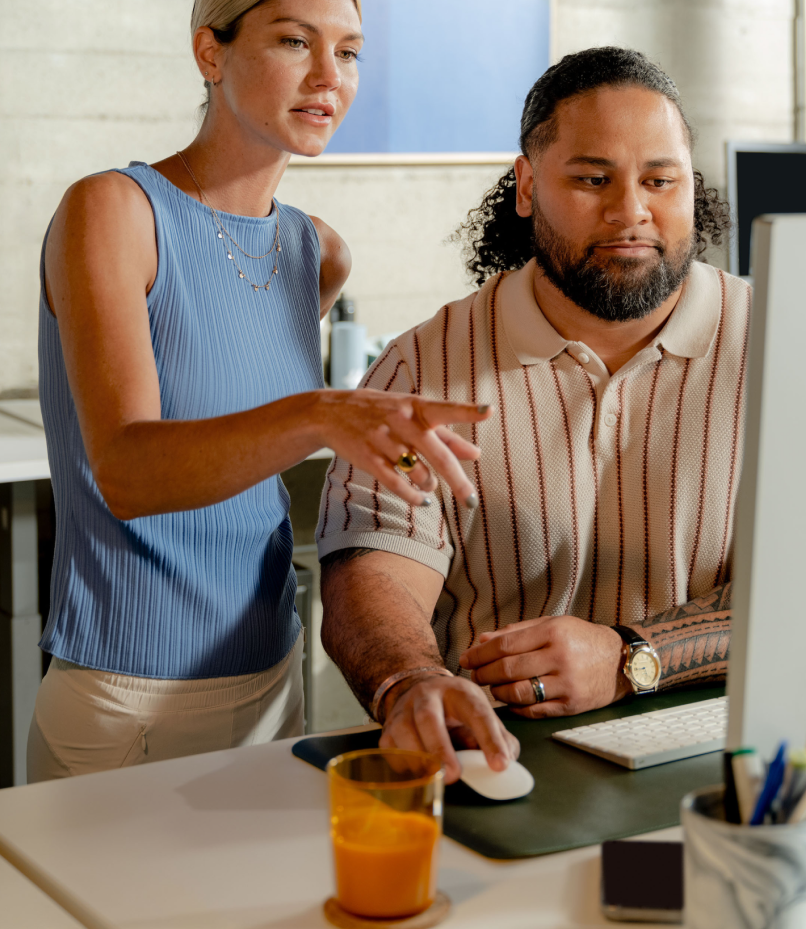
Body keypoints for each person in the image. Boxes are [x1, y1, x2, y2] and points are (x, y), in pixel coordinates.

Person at [28, 0, 491, 782]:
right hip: (127, 699)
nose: (329, 77)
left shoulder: (316, 251)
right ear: (211, 49)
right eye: (292, 41)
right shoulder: (115, 212)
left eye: (348, 52)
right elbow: (129, 471)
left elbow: (247, 439)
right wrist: (322, 412)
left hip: (274, 680)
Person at [316, 47, 750, 782]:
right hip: (498, 758)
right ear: (525, 185)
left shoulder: (785, 343)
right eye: (591, 179)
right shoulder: (422, 368)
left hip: (729, 755)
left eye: (660, 180)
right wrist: (412, 683)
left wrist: (630, 656)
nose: (631, 211)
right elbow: (373, 574)